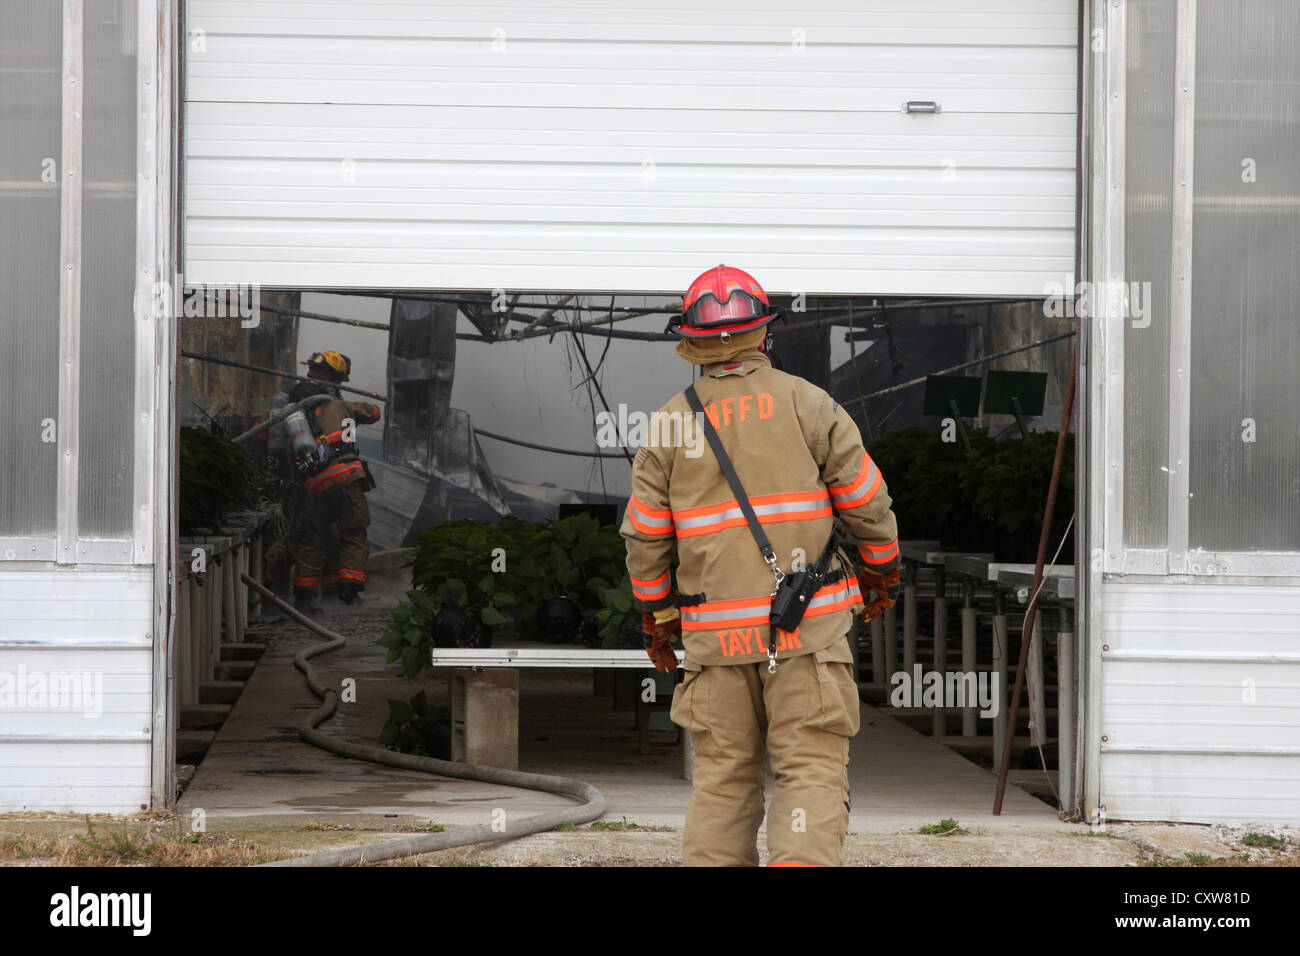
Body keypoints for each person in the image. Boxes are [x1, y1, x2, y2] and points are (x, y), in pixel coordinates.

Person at [620, 264, 900, 867]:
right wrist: (881, 574)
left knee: (722, 780)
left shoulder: (668, 424)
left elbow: (644, 541)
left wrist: (659, 620)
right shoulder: (809, 403)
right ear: (764, 334)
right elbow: (867, 504)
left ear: (691, 341)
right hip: (805, 633)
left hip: (715, 642)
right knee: (809, 769)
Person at [287, 350, 382, 609]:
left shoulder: (293, 413)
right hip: (344, 477)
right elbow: (373, 413)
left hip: (313, 484)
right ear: (335, 377)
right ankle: (348, 593)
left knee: (313, 537)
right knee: (352, 531)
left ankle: (304, 598)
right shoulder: (337, 404)